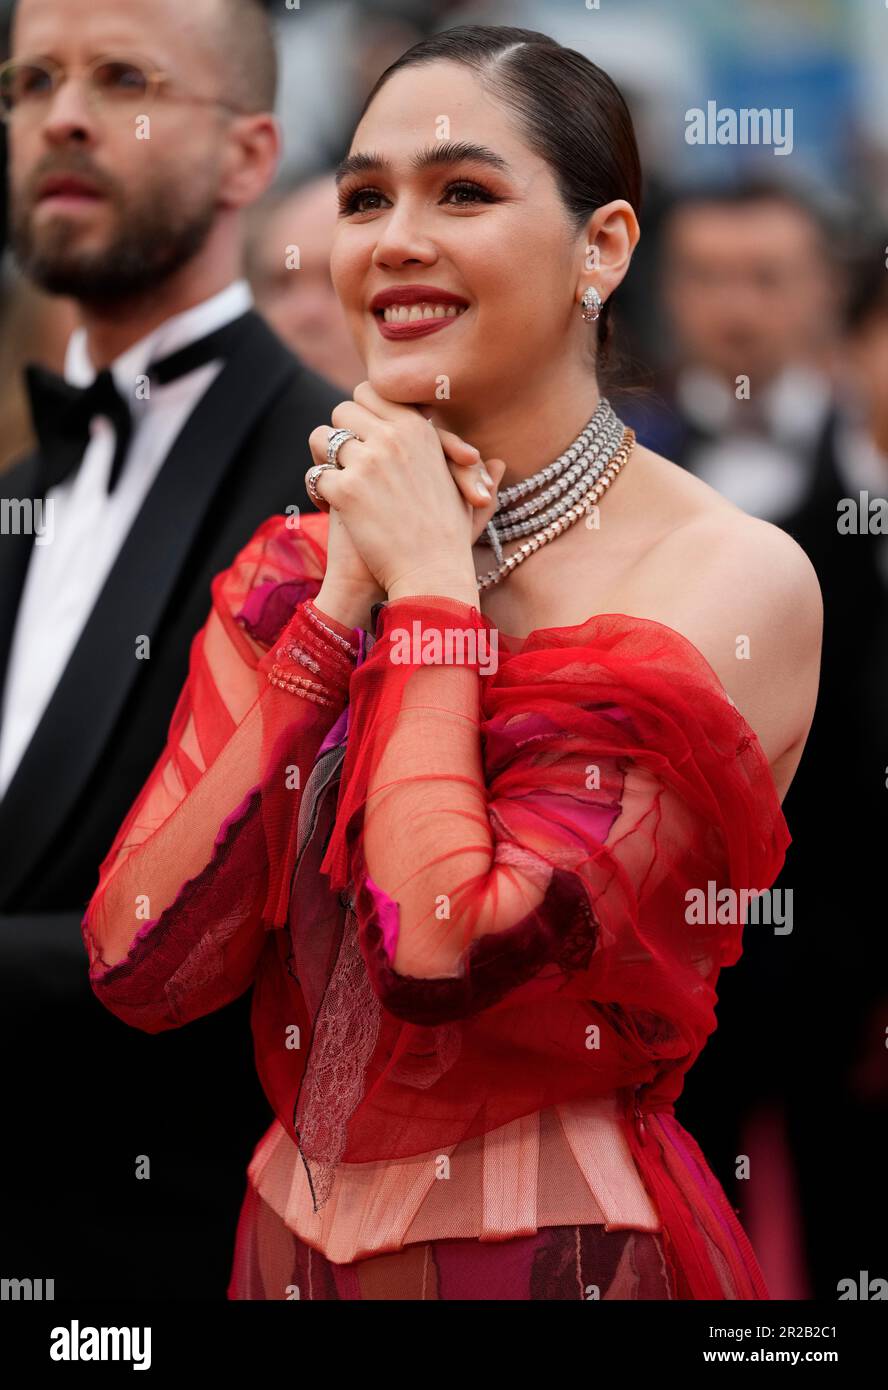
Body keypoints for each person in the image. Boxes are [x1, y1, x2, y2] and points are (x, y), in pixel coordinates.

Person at [81, 24, 822, 1301]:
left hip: (549, 1261)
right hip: (276, 1257)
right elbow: (141, 962)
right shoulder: (302, 565)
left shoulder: (731, 576)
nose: (394, 239)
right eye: (367, 197)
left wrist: (429, 594)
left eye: (464, 192)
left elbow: (443, 951)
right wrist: (338, 611)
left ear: (605, 247)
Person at [0, 0, 348, 1299]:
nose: (64, 112)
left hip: (200, 1262)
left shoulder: (347, 485)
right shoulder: (27, 486)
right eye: (31, 79)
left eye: (122, 76)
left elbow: (300, 937)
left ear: (249, 158)